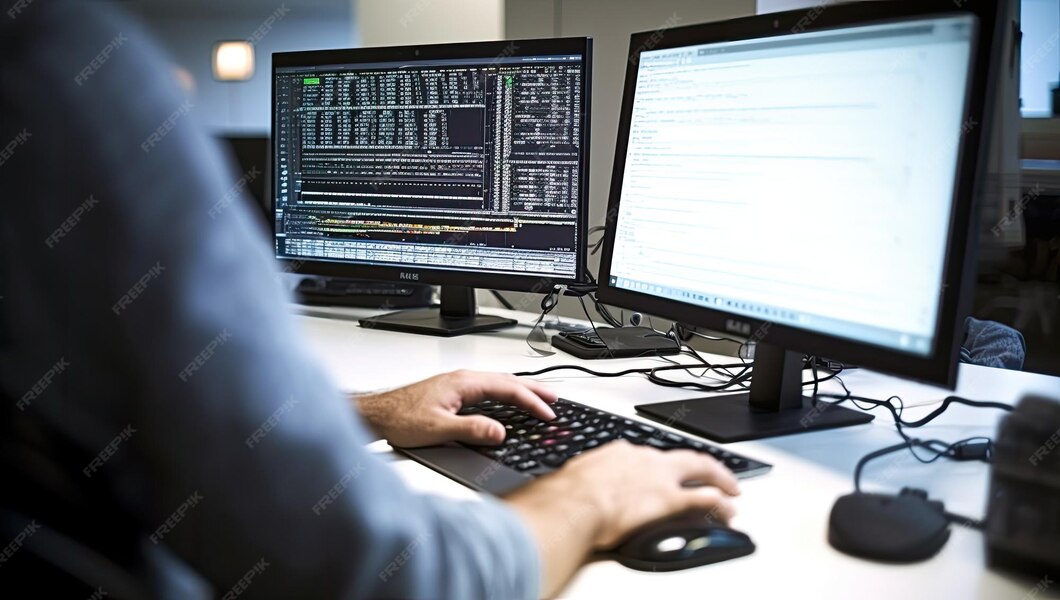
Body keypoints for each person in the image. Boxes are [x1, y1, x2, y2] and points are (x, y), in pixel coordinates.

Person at [0, 2, 739, 598]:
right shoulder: (55, 67)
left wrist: (368, 409)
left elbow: (114, 399)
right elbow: (372, 574)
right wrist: (589, 497)